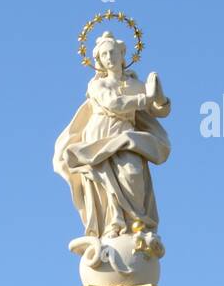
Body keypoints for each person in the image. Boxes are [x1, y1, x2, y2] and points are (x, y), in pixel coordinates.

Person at [54, 30, 171, 241]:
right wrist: (147, 97)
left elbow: (157, 111)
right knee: (103, 183)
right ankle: (113, 224)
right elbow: (113, 103)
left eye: (112, 53)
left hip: (126, 135)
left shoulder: (136, 85)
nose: (109, 58)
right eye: (104, 55)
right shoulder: (98, 84)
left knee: (132, 174)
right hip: (100, 136)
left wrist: (160, 98)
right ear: (98, 59)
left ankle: (137, 225)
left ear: (122, 53)